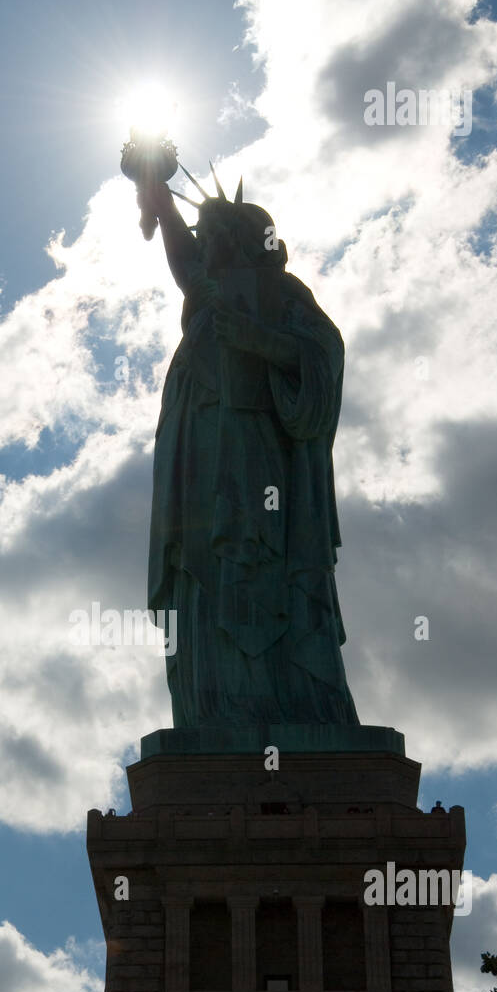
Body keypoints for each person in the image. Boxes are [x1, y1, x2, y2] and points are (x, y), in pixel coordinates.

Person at [135, 172, 360, 731]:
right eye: (201, 238)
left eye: (211, 237)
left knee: (260, 565)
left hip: (257, 450)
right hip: (199, 455)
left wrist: (256, 339)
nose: (201, 248)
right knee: (204, 574)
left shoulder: (276, 291)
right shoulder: (209, 294)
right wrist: (157, 195)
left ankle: (292, 707)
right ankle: (213, 711)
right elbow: (184, 261)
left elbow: (324, 352)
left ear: (237, 241)